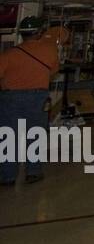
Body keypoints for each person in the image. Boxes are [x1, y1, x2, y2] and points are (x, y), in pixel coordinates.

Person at [0, 18, 69, 185]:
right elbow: (53, 70)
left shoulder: (9, 54)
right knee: (35, 133)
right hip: (38, 97)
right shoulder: (49, 51)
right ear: (39, 32)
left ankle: (8, 175)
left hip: (11, 98)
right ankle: (34, 171)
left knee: (9, 136)